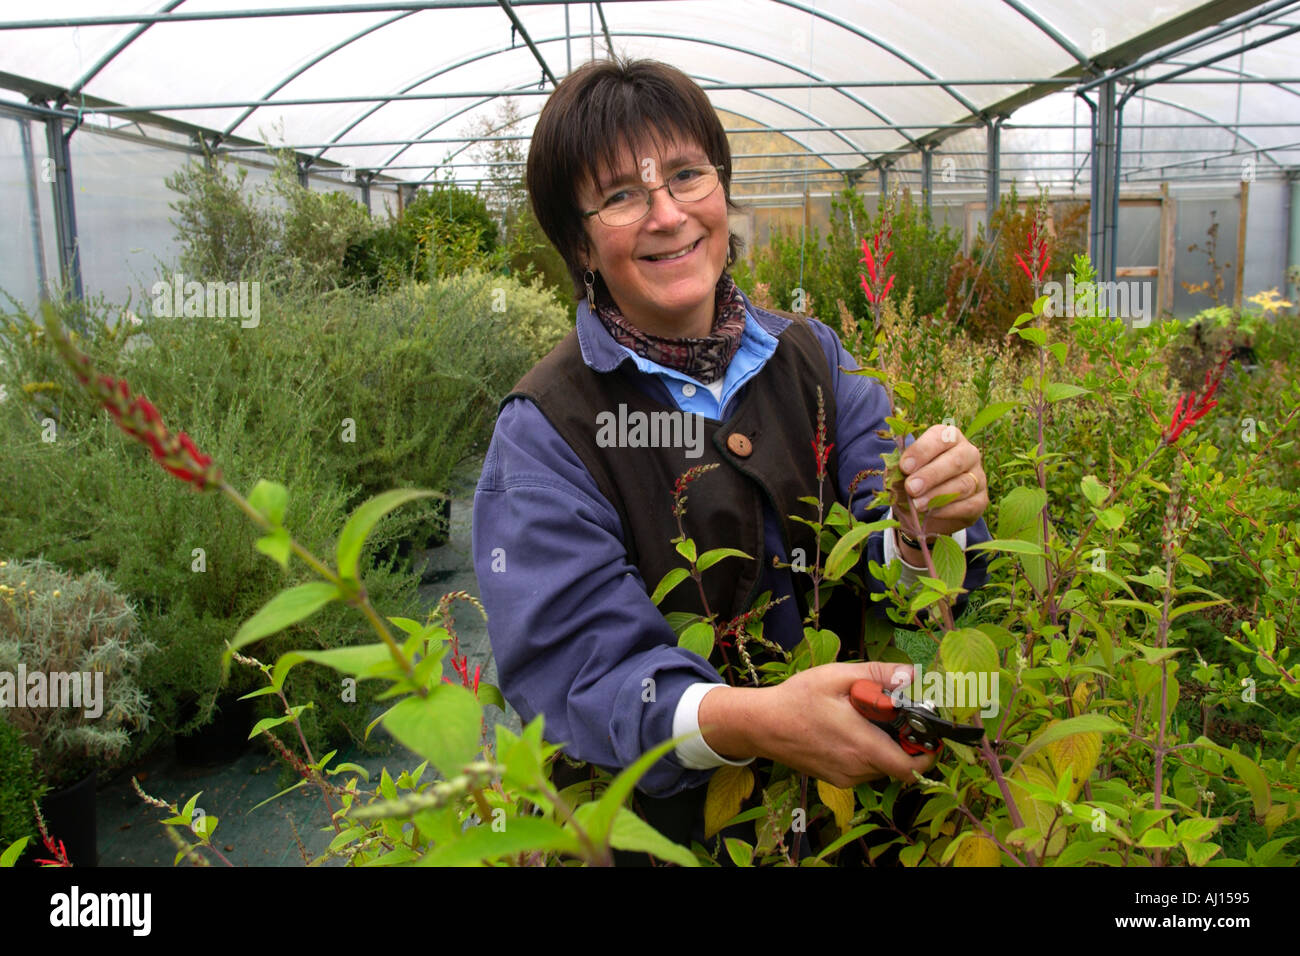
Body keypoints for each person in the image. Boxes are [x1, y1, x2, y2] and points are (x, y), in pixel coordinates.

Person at [472, 56, 993, 863]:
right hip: (681, 842)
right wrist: (755, 721)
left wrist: (927, 521)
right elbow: (581, 672)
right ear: (579, 243)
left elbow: (888, 540)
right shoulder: (548, 431)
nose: (667, 214)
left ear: (722, 189)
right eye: (620, 195)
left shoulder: (812, 354)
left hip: (864, 822)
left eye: (687, 176)